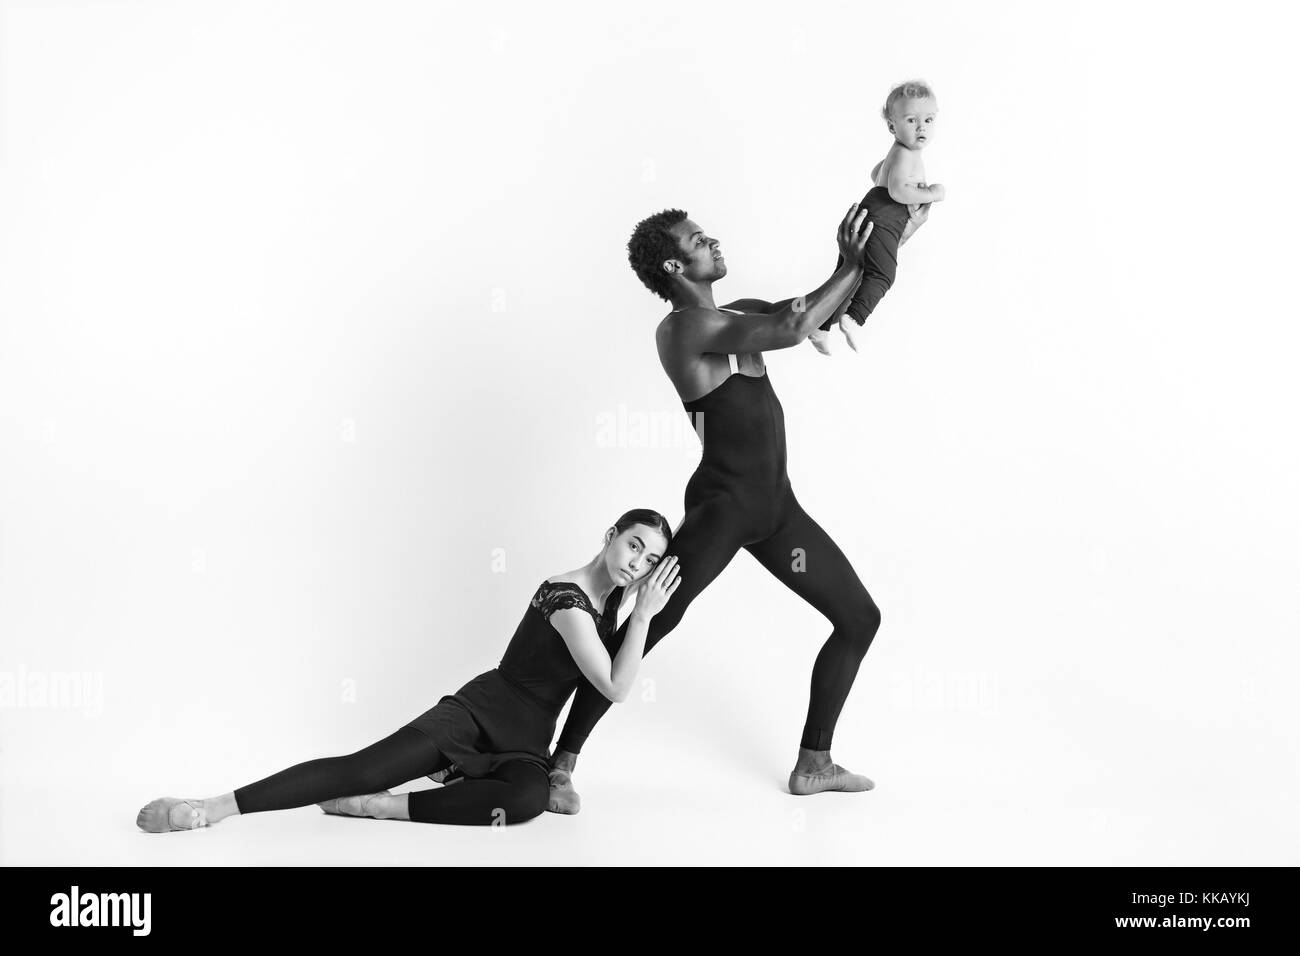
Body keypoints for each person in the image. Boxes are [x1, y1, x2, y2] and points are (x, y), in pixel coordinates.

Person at [546, 202, 928, 814]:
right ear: (675, 266)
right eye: (699, 240)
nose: (714, 242)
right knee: (652, 620)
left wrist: (884, 242)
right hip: (722, 509)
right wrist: (848, 264)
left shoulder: (740, 314)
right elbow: (793, 329)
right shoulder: (681, 331)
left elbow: (811, 313)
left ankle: (814, 763)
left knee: (859, 618)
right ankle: (559, 765)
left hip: (776, 512)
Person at [136, 511, 680, 831]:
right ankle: (212, 807)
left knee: (524, 801)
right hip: (477, 714)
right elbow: (615, 686)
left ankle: (383, 808)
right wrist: (645, 616)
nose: (638, 563)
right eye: (634, 545)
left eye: (651, 560)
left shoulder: (610, 599)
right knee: (361, 767)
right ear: (610, 535)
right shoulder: (568, 600)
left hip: (526, 742)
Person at [808, 80, 944, 355]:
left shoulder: (898, 152)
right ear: (892, 126)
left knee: (846, 272)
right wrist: (930, 193)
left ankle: (820, 327)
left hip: (872, 206)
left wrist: (901, 185)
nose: (921, 127)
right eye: (912, 120)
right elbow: (897, 190)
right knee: (882, 274)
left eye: (928, 120)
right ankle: (854, 318)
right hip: (884, 216)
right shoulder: (907, 155)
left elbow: (876, 174)